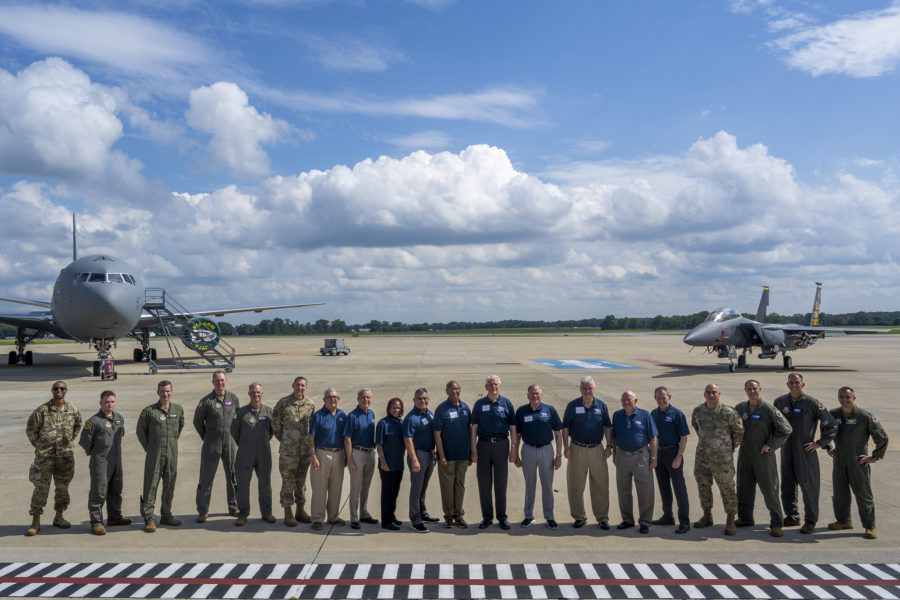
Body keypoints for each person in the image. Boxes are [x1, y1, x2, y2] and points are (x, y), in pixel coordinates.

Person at [774, 373, 837, 533]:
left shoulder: (812, 403)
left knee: (809, 486)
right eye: (791, 382)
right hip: (786, 448)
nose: (794, 385)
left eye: (797, 382)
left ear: (803, 384)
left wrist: (821, 443)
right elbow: (773, 423)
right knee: (787, 485)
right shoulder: (780, 402)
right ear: (787, 384)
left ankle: (810, 521)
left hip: (805, 450)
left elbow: (830, 424)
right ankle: (792, 516)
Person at [827, 386, 889, 540]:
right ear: (838, 398)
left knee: (863, 494)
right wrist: (828, 446)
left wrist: (874, 457)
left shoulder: (864, 416)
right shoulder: (833, 414)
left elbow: (882, 438)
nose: (845, 400)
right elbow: (825, 432)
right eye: (842, 397)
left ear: (854, 398)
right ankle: (844, 521)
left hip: (858, 461)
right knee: (840, 493)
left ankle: (870, 526)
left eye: (848, 397)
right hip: (840, 460)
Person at [734, 379, 792, 537]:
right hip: (745, 455)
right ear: (745, 390)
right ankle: (745, 518)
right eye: (749, 389)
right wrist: (737, 438)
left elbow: (786, 429)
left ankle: (776, 523)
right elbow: (731, 426)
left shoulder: (768, 409)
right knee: (744, 488)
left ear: (760, 389)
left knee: (770, 490)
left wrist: (771, 445)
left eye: (754, 388)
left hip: (763, 456)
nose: (752, 391)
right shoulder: (740, 408)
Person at [25, 381, 82, 536]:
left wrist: (68, 443)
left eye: (62, 388)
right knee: (41, 488)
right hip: (45, 457)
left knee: (63, 489)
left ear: (66, 391)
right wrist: (39, 446)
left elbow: (77, 426)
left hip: (65, 457)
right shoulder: (42, 411)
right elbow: (31, 429)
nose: (59, 390)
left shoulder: (72, 410)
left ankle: (59, 516)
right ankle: (35, 521)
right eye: (56, 388)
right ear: (52, 391)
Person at [692, 383, 743, 536]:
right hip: (702, 457)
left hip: (722, 459)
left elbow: (738, 432)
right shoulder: (698, 411)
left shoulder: (729, 412)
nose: (711, 395)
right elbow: (696, 428)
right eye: (708, 392)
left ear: (719, 394)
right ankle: (707, 516)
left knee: (727, 489)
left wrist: (728, 448)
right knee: (703, 486)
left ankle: (730, 519)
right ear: (704, 394)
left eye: (714, 392)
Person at [562, 376, 613, 530]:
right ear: (580, 389)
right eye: (584, 388)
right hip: (577, 449)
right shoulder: (572, 406)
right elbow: (565, 428)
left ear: (594, 390)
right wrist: (566, 447)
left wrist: (609, 446)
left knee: (601, 485)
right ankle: (579, 517)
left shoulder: (601, 406)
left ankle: (602, 517)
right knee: (575, 485)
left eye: (590, 388)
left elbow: (607, 427)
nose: (587, 391)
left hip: (597, 449)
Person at [79, 390, 130, 535]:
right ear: (100, 403)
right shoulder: (93, 421)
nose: (110, 404)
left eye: (112, 401)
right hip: (100, 461)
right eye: (107, 402)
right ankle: (96, 522)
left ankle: (115, 517)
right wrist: (96, 454)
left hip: (116, 460)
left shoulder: (119, 418)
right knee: (99, 491)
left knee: (116, 489)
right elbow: (85, 441)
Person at [137, 380, 185, 532]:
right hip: (155, 453)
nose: (165, 394)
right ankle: (149, 518)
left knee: (170, 483)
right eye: (162, 391)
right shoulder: (149, 411)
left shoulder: (178, 409)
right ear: (157, 392)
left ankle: (166, 514)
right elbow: (140, 431)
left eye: (168, 391)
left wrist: (171, 443)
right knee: (151, 484)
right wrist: (150, 448)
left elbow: (180, 427)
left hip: (171, 452)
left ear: (172, 391)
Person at [470, 375, 517, 530]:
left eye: (495, 384)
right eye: (490, 384)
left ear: (500, 386)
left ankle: (502, 517)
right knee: (484, 483)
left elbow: (512, 428)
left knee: (501, 483)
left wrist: (513, 448)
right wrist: (474, 449)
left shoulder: (506, 403)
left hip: (502, 445)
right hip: (483, 446)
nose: (493, 387)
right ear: (486, 388)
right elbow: (474, 428)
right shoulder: (479, 404)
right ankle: (487, 517)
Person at [513, 384, 563, 529]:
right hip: (528, 450)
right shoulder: (521, 411)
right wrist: (515, 453)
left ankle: (549, 516)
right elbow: (518, 434)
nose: (535, 396)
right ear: (527, 395)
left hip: (546, 450)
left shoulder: (550, 410)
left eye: (537, 393)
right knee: (530, 484)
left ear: (541, 395)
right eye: (532, 393)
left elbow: (558, 434)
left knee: (547, 484)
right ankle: (528, 516)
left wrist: (559, 455)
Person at [193, 370, 239, 523]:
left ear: (226, 381)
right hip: (211, 443)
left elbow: (237, 419)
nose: (220, 383)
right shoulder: (206, 401)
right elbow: (197, 421)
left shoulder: (233, 398)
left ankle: (233, 506)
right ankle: (202, 510)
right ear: (213, 382)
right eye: (217, 380)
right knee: (207, 476)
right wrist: (206, 436)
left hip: (230, 442)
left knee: (233, 474)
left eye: (222, 380)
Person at [611, 390, 658, 534]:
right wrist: (614, 454)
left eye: (629, 399)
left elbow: (653, 438)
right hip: (622, 456)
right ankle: (627, 520)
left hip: (641, 456)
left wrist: (653, 458)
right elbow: (614, 437)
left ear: (635, 401)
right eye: (623, 399)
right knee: (623, 490)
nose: (626, 402)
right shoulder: (617, 415)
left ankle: (645, 522)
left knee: (645, 491)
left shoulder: (645, 415)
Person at [272, 376, 315, 526]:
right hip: (288, 453)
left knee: (301, 483)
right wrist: (285, 440)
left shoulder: (310, 404)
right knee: (288, 482)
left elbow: (313, 427)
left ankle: (300, 510)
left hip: (304, 452)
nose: (300, 388)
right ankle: (288, 512)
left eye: (303, 385)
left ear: (306, 387)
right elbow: (276, 424)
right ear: (293, 386)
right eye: (297, 385)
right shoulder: (283, 403)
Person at [231, 382, 275, 525]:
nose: (256, 395)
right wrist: (245, 443)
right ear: (249, 394)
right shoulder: (241, 412)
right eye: (253, 392)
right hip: (245, 453)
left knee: (265, 484)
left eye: (258, 392)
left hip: (263, 452)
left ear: (262, 394)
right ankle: (243, 514)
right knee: (243, 484)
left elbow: (272, 431)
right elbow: (234, 431)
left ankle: (266, 512)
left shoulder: (269, 412)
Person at [650, 386, 691, 534]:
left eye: (664, 397)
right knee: (663, 487)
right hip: (659, 453)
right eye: (658, 398)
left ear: (669, 397)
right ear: (655, 399)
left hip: (673, 453)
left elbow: (683, 437)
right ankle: (667, 516)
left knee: (679, 488)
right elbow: (651, 436)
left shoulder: (677, 414)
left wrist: (679, 456)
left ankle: (685, 522)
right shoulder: (653, 414)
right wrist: (653, 456)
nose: (661, 400)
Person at [433, 380, 471, 528]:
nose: (454, 391)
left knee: (460, 485)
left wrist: (470, 452)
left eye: (456, 389)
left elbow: (470, 432)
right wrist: (441, 455)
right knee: (447, 486)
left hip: (462, 455)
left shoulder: (466, 408)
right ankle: (448, 516)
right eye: (451, 389)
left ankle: (458, 515)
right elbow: (437, 434)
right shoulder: (442, 409)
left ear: (460, 390)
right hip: (447, 456)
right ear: (447, 391)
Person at [308, 388, 347, 530]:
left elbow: (346, 438)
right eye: (329, 397)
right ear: (324, 400)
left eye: (335, 397)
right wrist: (313, 457)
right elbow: (311, 438)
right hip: (322, 454)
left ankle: (333, 516)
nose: (332, 400)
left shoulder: (343, 415)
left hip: (339, 453)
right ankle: (317, 518)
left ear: (338, 399)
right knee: (319, 489)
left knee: (336, 488)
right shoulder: (318, 416)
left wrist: (347, 457)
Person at [404, 388, 439, 532]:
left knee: (424, 486)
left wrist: (435, 451)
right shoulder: (411, 418)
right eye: (419, 398)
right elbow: (408, 439)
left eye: (424, 398)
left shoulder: (430, 414)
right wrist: (414, 459)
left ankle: (422, 512)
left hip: (430, 454)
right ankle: (415, 518)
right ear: (414, 400)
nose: (422, 401)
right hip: (418, 455)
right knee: (416, 488)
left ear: (428, 399)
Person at [343, 388, 378, 529]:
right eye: (363, 397)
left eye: (368, 398)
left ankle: (363, 512)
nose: (365, 400)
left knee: (366, 486)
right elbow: (347, 438)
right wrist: (350, 459)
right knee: (356, 487)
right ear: (358, 399)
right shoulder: (352, 416)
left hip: (370, 453)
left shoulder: (371, 414)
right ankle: (354, 517)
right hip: (357, 453)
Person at [376, 397, 406, 530]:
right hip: (387, 465)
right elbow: (379, 445)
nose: (396, 410)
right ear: (389, 409)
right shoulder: (383, 423)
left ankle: (392, 516)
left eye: (398, 408)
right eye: (393, 408)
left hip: (399, 464)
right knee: (387, 493)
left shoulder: (402, 422)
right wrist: (383, 462)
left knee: (395, 492)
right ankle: (386, 521)